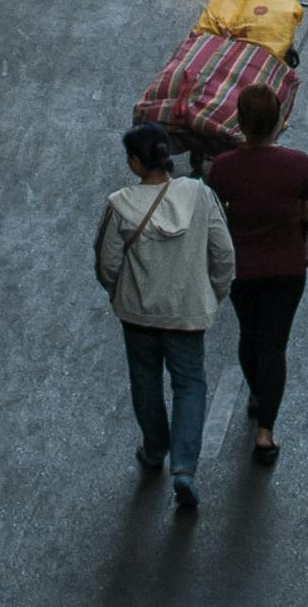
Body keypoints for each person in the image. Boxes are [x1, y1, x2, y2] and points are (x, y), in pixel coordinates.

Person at [95, 124, 233, 516]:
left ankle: (155, 448)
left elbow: (107, 264)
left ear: (137, 163)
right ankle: (185, 468)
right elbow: (223, 253)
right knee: (190, 384)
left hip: (138, 314)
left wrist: (121, 294)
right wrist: (212, 295)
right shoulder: (200, 195)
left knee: (145, 378)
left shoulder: (120, 204)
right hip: (187, 313)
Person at [205, 81, 308, 463]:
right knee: (274, 344)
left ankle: (258, 390)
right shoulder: (299, 164)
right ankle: (265, 431)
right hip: (288, 269)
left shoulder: (223, 168)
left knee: (250, 335)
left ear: (240, 122)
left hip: (241, 269)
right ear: (279, 121)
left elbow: (214, 215)